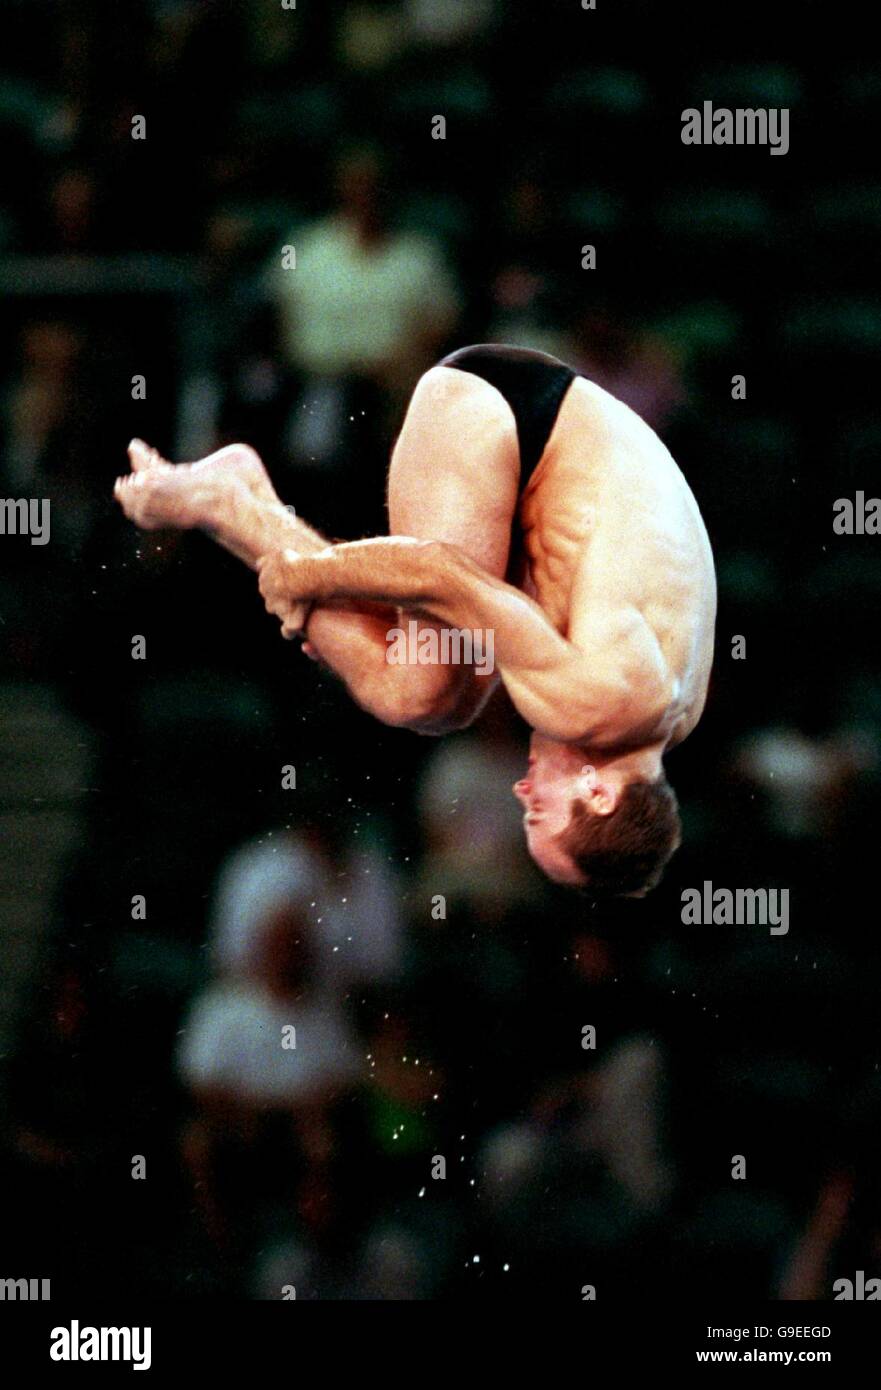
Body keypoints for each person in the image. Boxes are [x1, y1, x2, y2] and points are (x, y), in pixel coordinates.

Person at [114, 343, 716, 895]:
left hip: (547, 418)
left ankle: (249, 507)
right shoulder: (598, 705)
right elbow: (439, 574)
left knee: (437, 678)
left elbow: (513, 598)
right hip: (493, 410)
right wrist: (301, 579)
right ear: (599, 793)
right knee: (419, 691)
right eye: (538, 810)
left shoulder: (675, 712)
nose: (520, 790)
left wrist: (358, 616)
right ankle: (230, 503)